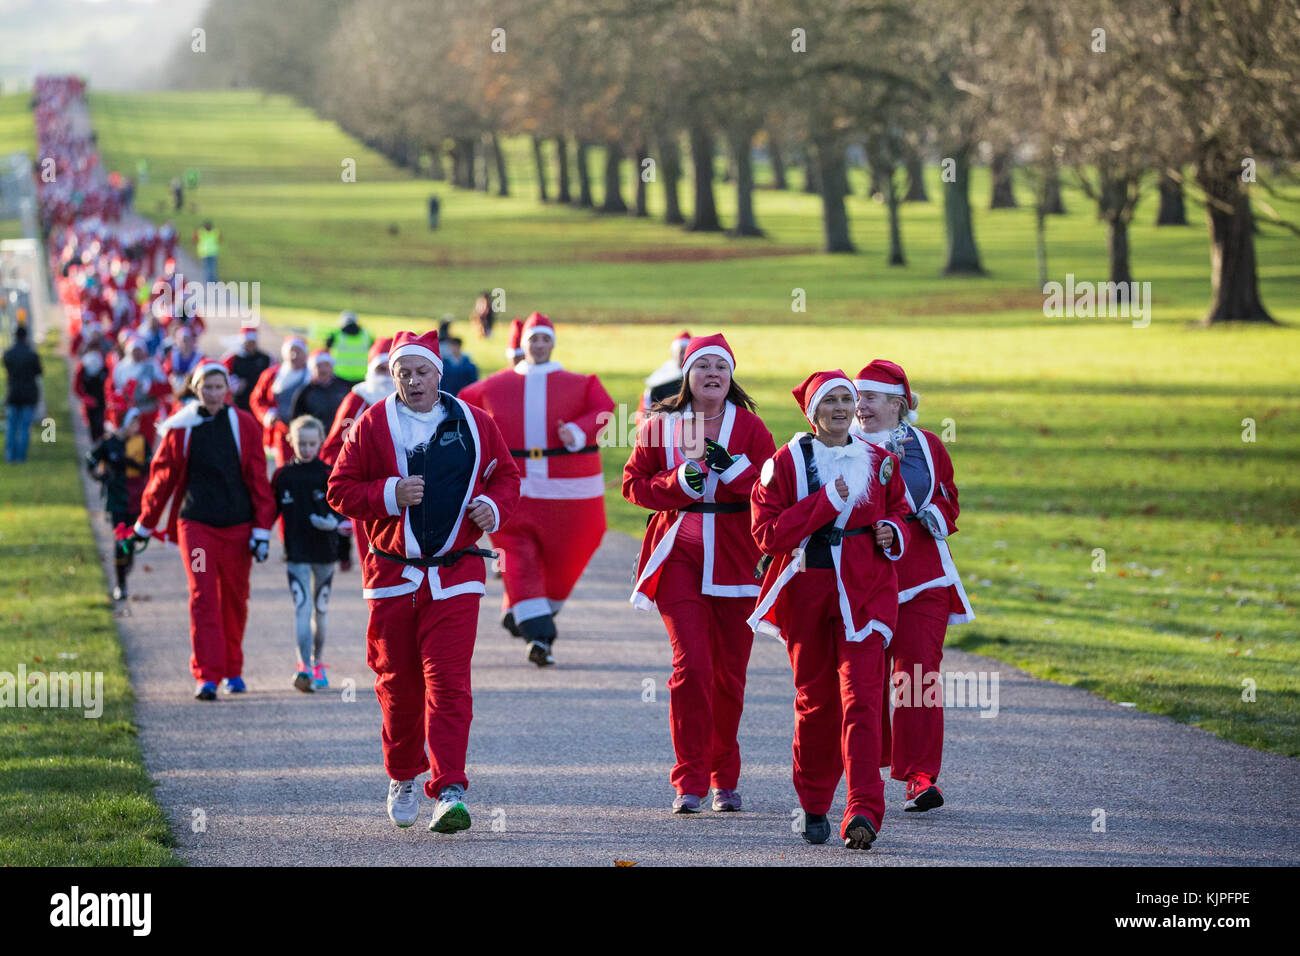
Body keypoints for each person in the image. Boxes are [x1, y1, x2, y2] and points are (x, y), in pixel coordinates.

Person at [327, 329, 520, 832]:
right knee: (398, 684)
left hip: (457, 574)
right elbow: (339, 490)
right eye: (403, 373)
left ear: (439, 373)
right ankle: (403, 774)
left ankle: (450, 788)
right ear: (393, 377)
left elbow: (508, 476)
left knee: (449, 681)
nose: (413, 381)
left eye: (422, 371)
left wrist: (493, 506)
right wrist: (390, 493)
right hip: (392, 575)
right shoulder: (371, 424)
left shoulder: (474, 423)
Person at [748, 370, 910, 851]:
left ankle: (863, 808)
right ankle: (815, 802)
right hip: (808, 592)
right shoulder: (785, 464)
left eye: (848, 399)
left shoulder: (880, 460)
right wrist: (825, 502)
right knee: (816, 704)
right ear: (812, 412)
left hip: (866, 590)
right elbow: (768, 535)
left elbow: (898, 508)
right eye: (831, 401)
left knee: (862, 698)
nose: (842, 408)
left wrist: (892, 531)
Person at [623, 334, 776, 814]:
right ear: (686, 375)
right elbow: (633, 486)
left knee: (729, 675)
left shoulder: (750, 427)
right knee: (692, 667)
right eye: (703, 365)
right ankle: (688, 780)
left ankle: (723, 779)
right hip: (678, 560)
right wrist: (677, 482)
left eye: (721, 367)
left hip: (737, 559)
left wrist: (731, 472)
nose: (713, 373)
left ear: (731, 377)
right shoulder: (661, 426)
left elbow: (772, 494)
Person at [458, 312, 615, 666]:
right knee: (516, 556)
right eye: (533, 339)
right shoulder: (493, 386)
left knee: (568, 555)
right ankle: (539, 635)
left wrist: (577, 432)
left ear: (553, 342)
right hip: (514, 493)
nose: (539, 346)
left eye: (545, 339)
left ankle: (526, 612)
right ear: (523, 344)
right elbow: (459, 411)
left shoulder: (581, 382)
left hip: (571, 493)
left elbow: (605, 411)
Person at [853, 360, 974, 813]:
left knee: (918, 674)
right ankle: (869, 772)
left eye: (869, 398)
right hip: (863, 582)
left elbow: (948, 496)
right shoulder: (842, 445)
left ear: (897, 404)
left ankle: (920, 776)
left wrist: (936, 516)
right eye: (856, 397)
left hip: (925, 578)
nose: (859, 406)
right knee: (867, 679)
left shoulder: (928, 444)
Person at [130, 363, 276, 701]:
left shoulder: (244, 425)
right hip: (196, 527)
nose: (212, 394)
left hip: (238, 528)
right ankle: (207, 676)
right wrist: (145, 523)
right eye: (206, 387)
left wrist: (262, 530)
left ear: (227, 390)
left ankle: (233, 671)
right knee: (203, 597)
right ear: (196, 389)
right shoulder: (181, 426)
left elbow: (258, 480)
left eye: (218, 387)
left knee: (236, 600)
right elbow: (162, 477)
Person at [273, 416, 346, 693]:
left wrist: (334, 523)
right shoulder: (282, 476)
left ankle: (318, 664)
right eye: (300, 443)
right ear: (290, 441)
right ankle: (303, 667)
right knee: (302, 608)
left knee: (322, 609)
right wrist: (259, 540)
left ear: (320, 442)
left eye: (311, 443)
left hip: (325, 552)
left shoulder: (329, 473)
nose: (305, 448)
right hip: (296, 553)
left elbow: (344, 509)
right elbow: (269, 510)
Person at [320, 337, 394, 566]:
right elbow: (332, 449)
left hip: (408, 494)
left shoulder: (410, 401)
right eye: (380, 369)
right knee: (374, 562)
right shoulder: (357, 400)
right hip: (368, 494)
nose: (385, 376)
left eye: (390, 369)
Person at [86, 407, 151, 600]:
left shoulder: (141, 441)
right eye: (132, 423)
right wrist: (98, 475)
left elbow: (149, 465)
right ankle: (120, 584)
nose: (136, 427)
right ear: (122, 423)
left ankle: (127, 561)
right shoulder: (109, 443)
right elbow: (91, 458)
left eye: (137, 423)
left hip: (136, 496)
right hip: (116, 497)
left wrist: (131, 463)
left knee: (131, 539)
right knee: (120, 539)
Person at [249, 336, 310, 467]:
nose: (294, 355)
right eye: (291, 351)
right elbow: (256, 399)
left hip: (309, 434)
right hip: (282, 433)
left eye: (298, 351)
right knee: (285, 469)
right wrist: (267, 414)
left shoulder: (312, 376)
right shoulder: (272, 375)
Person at [3, 324, 42, 463]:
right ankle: (21, 456)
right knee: (25, 426)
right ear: (26, 337)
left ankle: (10, 455)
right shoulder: (32, 355)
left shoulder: (8, 354)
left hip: (13, 393)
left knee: (11, 425)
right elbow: (39, 372)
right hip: (28, 394)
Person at [636, 329, 691, 424]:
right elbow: (644, 414)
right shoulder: (660, 381)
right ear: (673, 353)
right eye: (681, 352)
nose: (683, 357)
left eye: (687, 352)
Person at [291, 350, 351, 428]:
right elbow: (296, 420)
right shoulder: (305, 392)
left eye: (326, 365)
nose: (323, 369)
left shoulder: (345, 386)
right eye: (319, 366)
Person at [222, 321, 271, 412]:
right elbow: (222, 376)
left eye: (253, 342)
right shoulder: (233, 358)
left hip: (258, 402)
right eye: (249, 342)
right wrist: (234, 383)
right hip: (239, 403)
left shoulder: (265, 358)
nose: (251, 346)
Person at [324, 311, 374, 387]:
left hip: (340, 375)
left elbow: (326, 350)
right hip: (362, 376)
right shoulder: (367, 335)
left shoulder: (336, 334)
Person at [73, 338, 108, 442]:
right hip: (89, 403)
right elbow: (76, 387)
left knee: (101, 427)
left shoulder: (104, 366)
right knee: (92, 428)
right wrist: (86, 398)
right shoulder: (82, 367)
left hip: (102, 401)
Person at [437, 320, 478, 395]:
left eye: (456, 346)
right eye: (452, 346)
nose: (454, 348)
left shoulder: (469, 365)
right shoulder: (444, 364)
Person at [193, 220, 220, 284]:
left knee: (207, 267)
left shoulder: (201, 232)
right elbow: (220, 239)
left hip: (205, 252)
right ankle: (212, 280)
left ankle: (208, 280)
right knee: (212, 267)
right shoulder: (215, 232)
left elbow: (195, 239)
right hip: (212, 252)